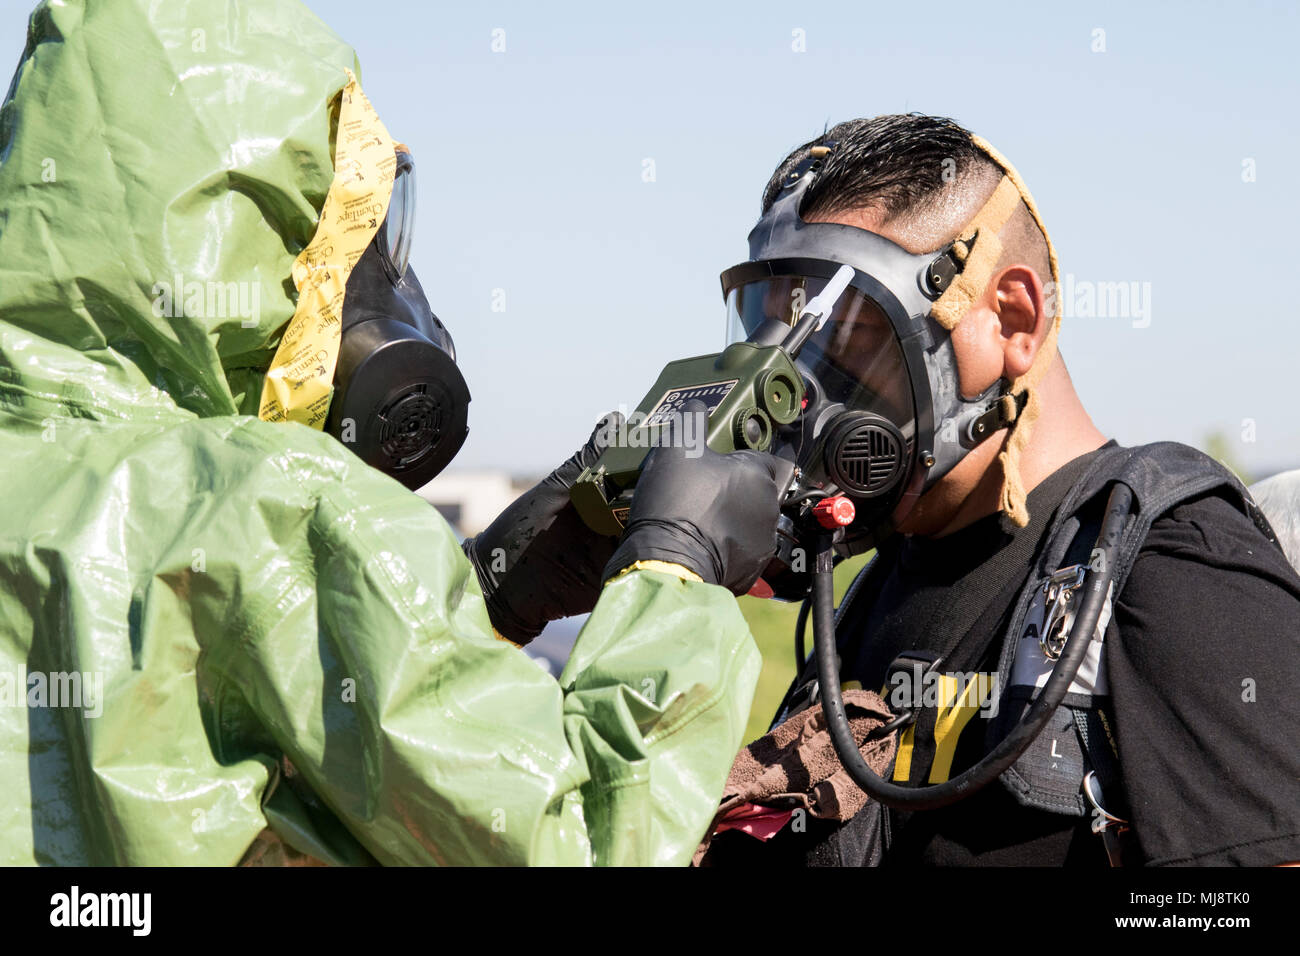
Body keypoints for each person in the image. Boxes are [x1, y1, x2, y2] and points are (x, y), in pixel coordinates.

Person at [0, 0, 782, 866]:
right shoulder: (274, 504)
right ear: (268, 229)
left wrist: (484, 600)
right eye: (352, 224)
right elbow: (591, 846)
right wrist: (674, 568)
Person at [701, 114, 1300, 867]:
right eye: (783, 349)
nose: (809, 402)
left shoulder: (1177, 572)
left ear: (1013, 319)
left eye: (849, 345)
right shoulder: (862, 594)